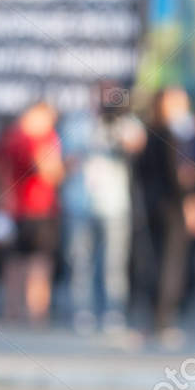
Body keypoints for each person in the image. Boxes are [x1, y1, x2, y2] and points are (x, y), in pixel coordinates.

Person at [61, 85, 141, 334]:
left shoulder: (125, 122)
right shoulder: (77, 122)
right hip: (80, 201)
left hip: (114, 204)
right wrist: (87, 146)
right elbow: (64, 161)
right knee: (80, 260)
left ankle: (113, 311)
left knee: (113, 262)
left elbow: (136, 145)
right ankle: (82, 311)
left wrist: (116, 130)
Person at [133, 87, 195, 343]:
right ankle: (164, 319)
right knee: (170, 264)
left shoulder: (151, 134)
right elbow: (178, 176)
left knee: (161, 261)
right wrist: (190, 200)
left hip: (155, 207)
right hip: (171, 208)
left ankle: (159, 316)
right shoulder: (169, 135)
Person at [0, 100, 64, 326]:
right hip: (36, 208)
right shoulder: (34, 138)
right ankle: (34, 314)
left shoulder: (12, 136)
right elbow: (50, 172)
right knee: (36, 262)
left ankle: (13, 310)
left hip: (22, 208)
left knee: (18, 261)